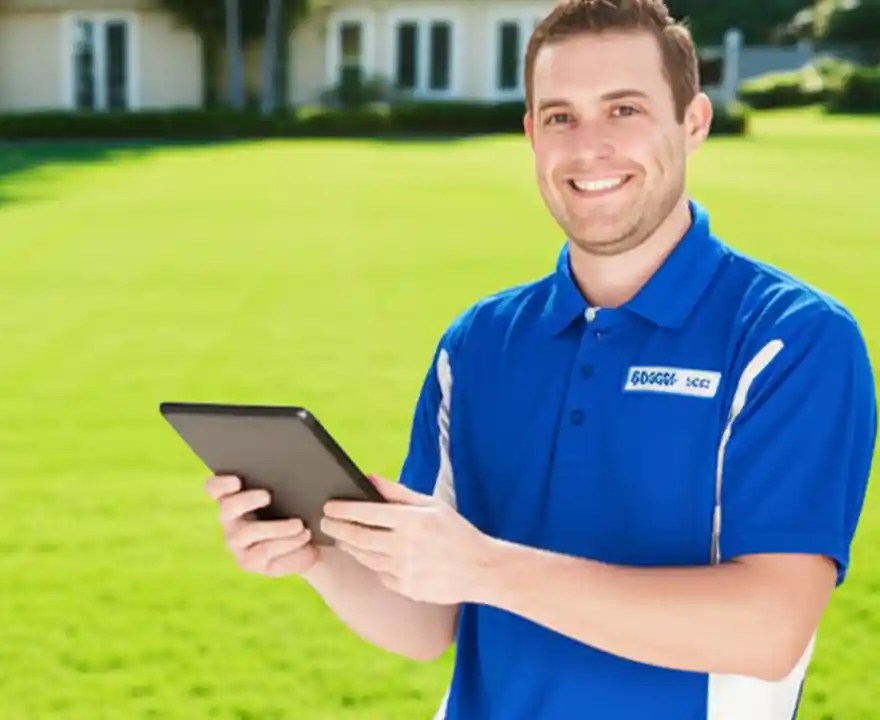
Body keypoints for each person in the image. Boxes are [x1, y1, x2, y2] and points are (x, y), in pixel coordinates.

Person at [202, 0, 877, 718]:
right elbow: (427, 622)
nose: (589, 147)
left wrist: (489, 568)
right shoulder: (478, 344)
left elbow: (769, 628)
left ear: (694, 122)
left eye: (624, 110)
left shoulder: (791, 339)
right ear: (531, 134)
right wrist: (319, 558)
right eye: (560, 116)